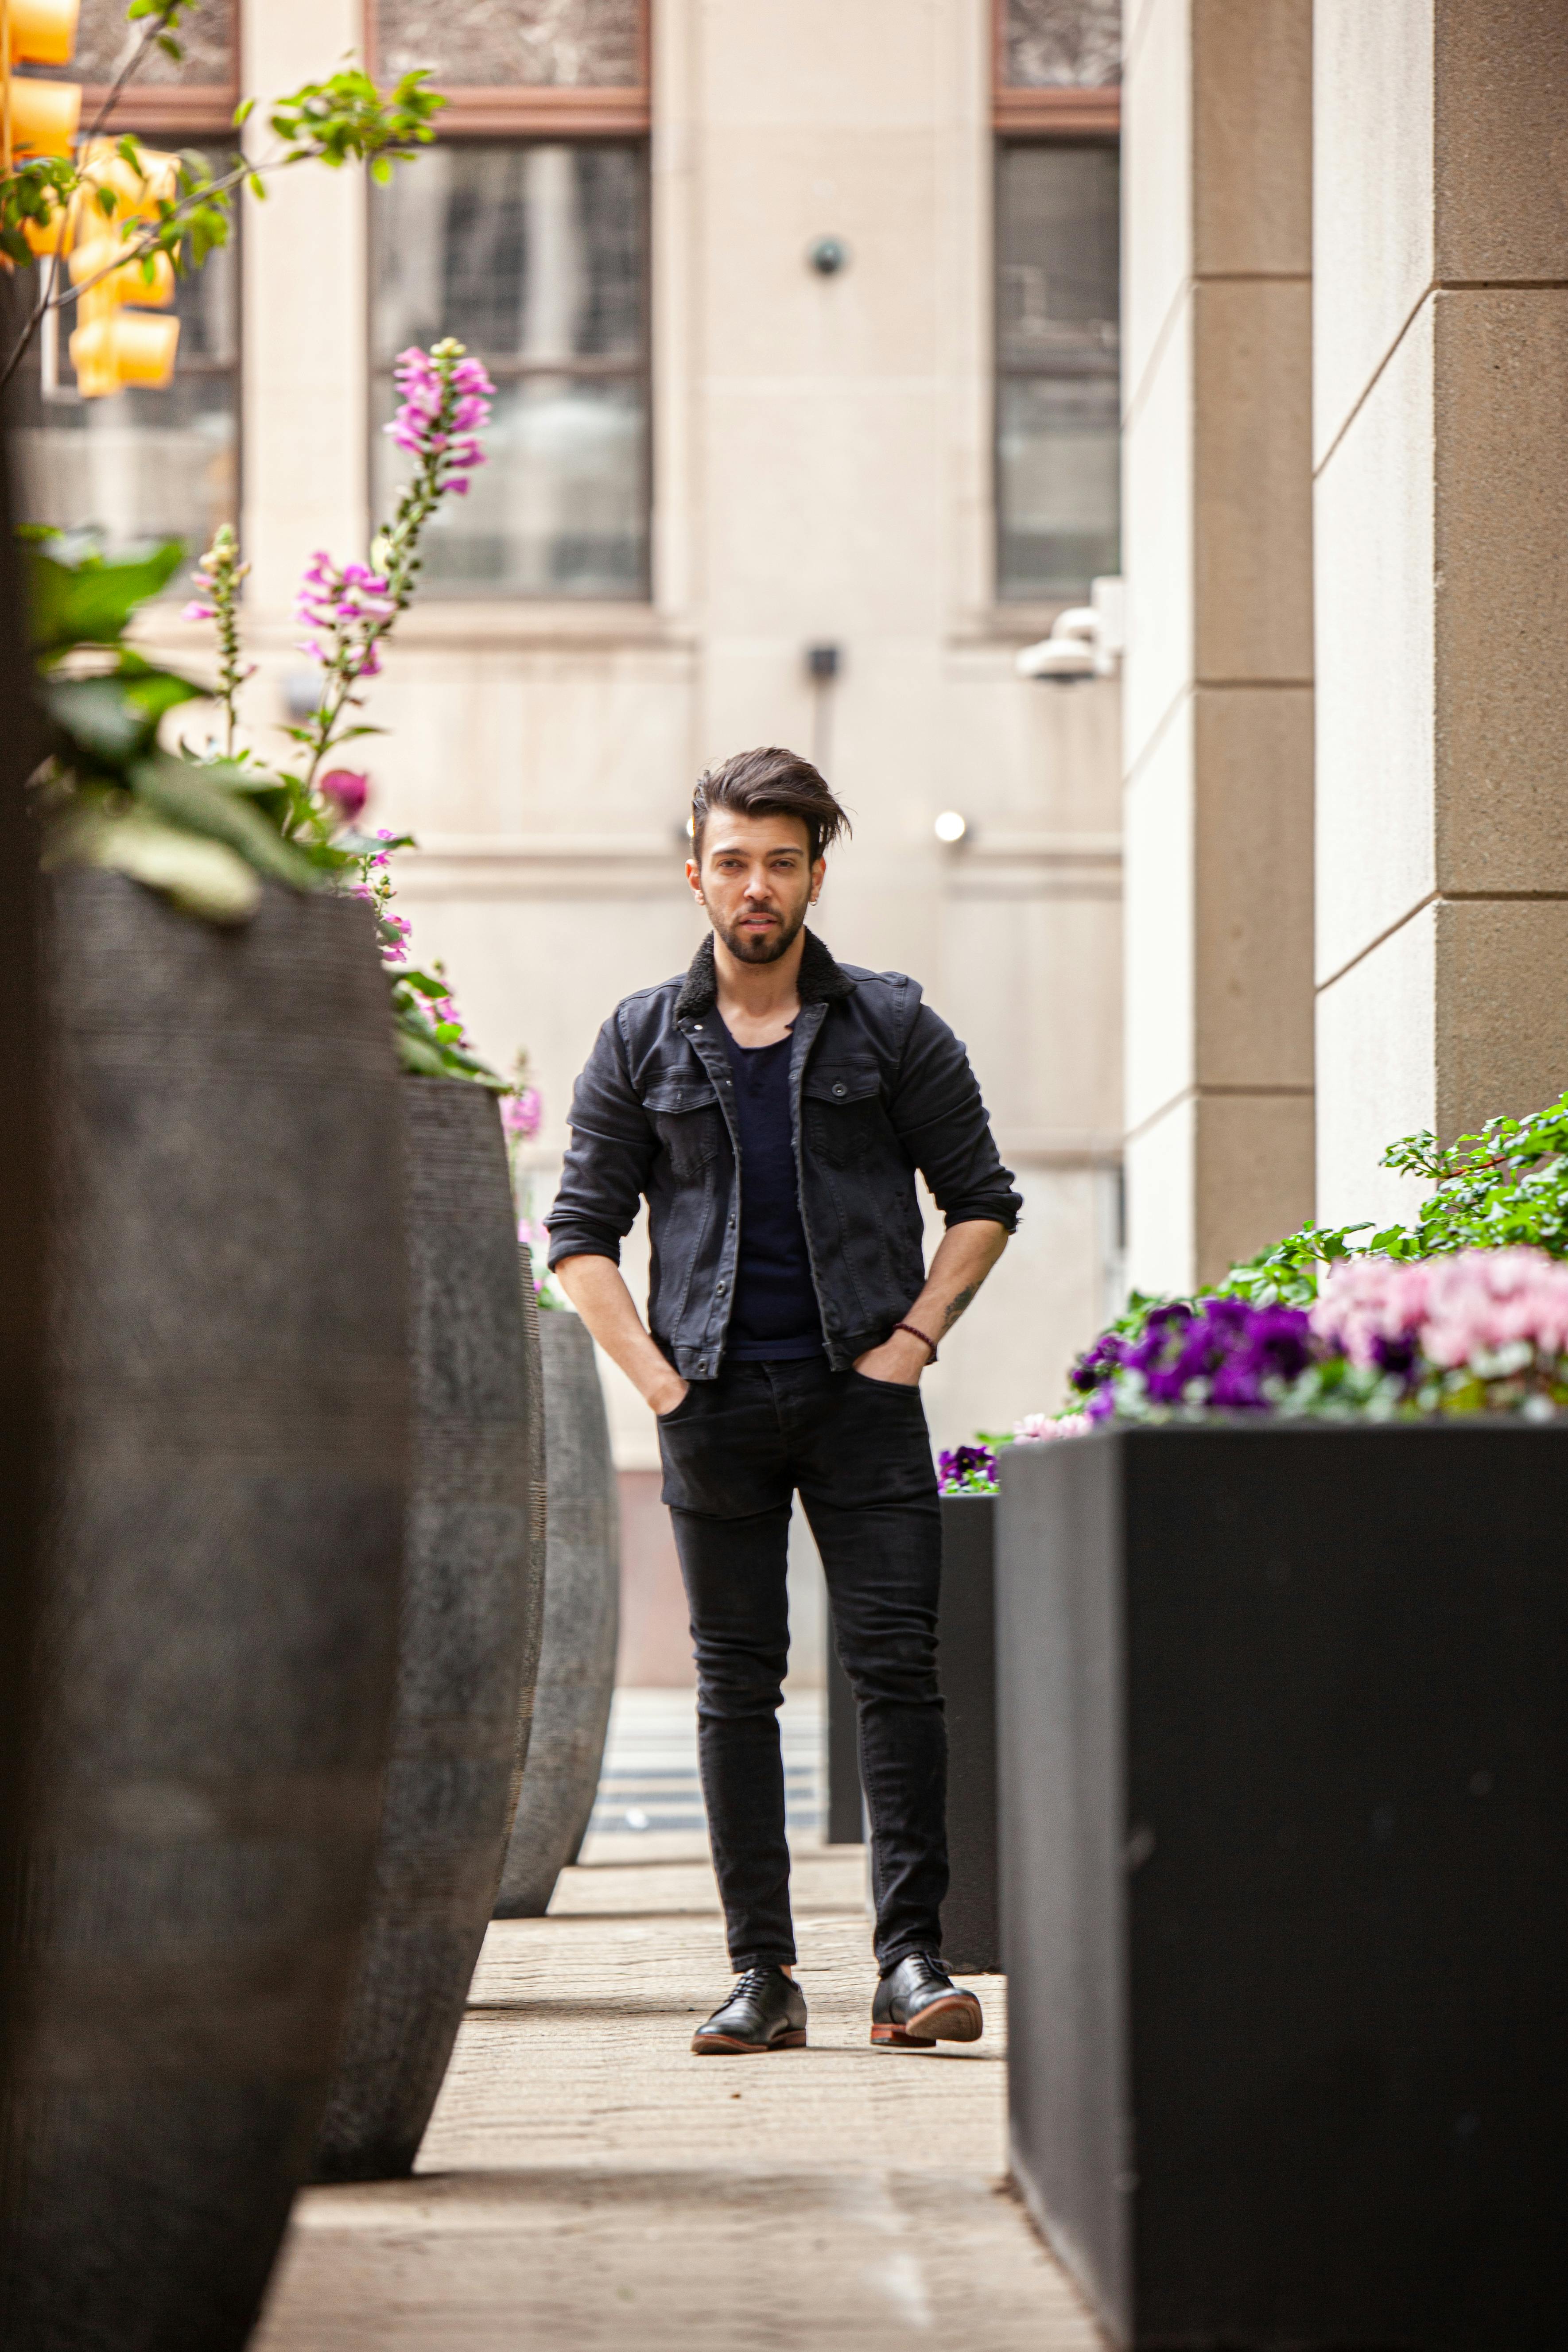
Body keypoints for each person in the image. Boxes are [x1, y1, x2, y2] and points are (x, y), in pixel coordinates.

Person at [547, 746, 1021, 2056]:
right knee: (732, 1684)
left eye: (781, 862)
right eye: (734, 862)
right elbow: (579, 1231)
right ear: (695, 872)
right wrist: (654, 1377)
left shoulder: (892, 1025)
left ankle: (909, 1964)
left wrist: (913, 1341)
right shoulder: (642, 1038)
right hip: (710, 1405)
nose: (755, 887)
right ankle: (762, 1975)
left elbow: (981, 1199)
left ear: (816, 871)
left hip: (860, 1395)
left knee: (893, 1672)